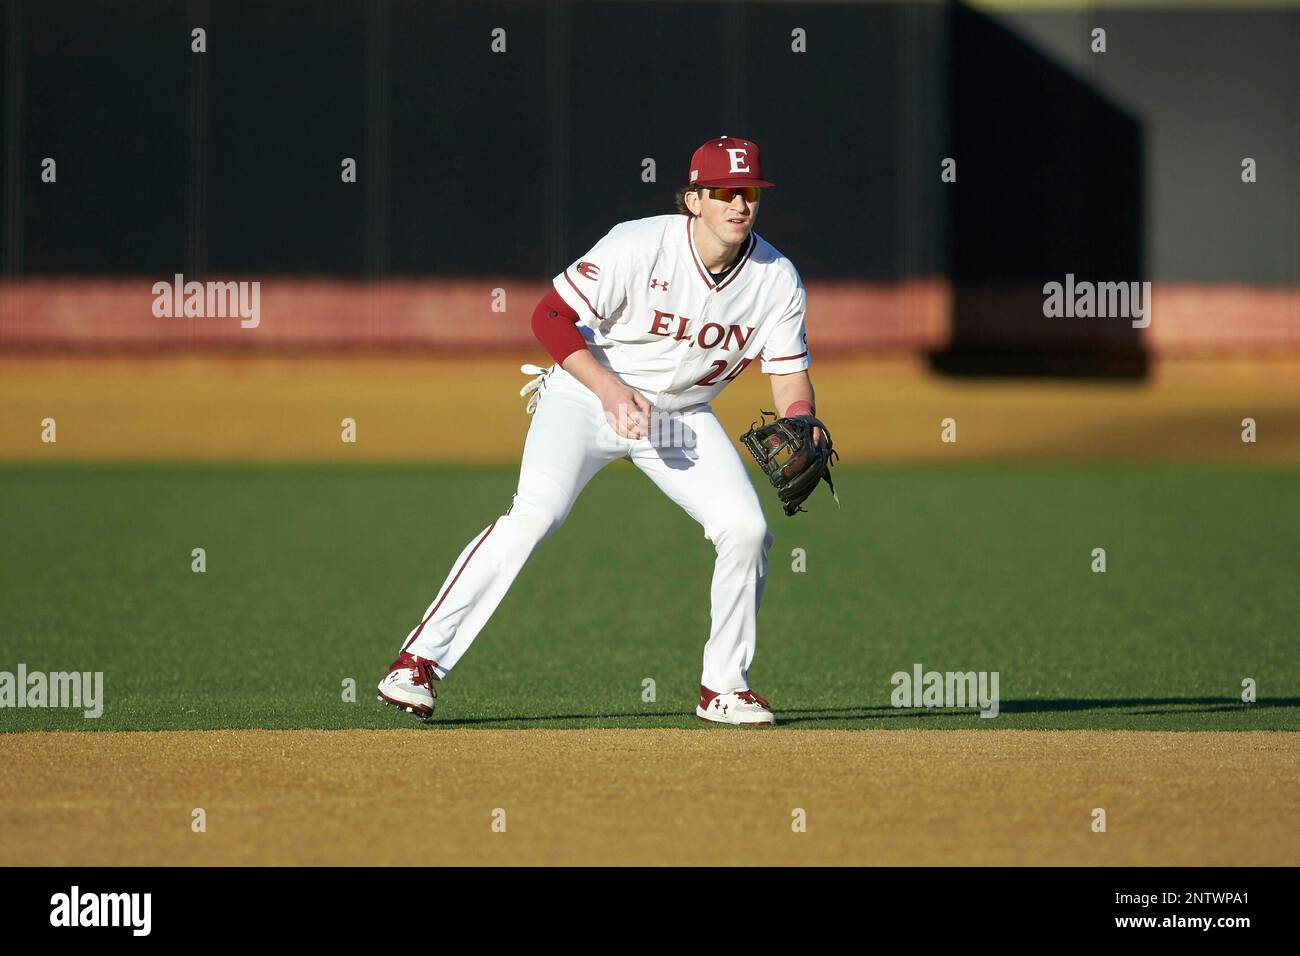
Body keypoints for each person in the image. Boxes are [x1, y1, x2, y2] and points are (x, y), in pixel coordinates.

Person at [377, 136, 822, 726]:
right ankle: (416, 663)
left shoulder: (776, 278)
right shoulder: (637, 244)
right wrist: (608, 390)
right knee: (536, 515)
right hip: (588, 394)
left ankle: (723, 687)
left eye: (750, 193)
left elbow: (790, 375)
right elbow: (549, 316)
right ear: (694, 199)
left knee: (746, 529)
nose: (739, 204)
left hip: (680, 416)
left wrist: (800, 422)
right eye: (724, 192)